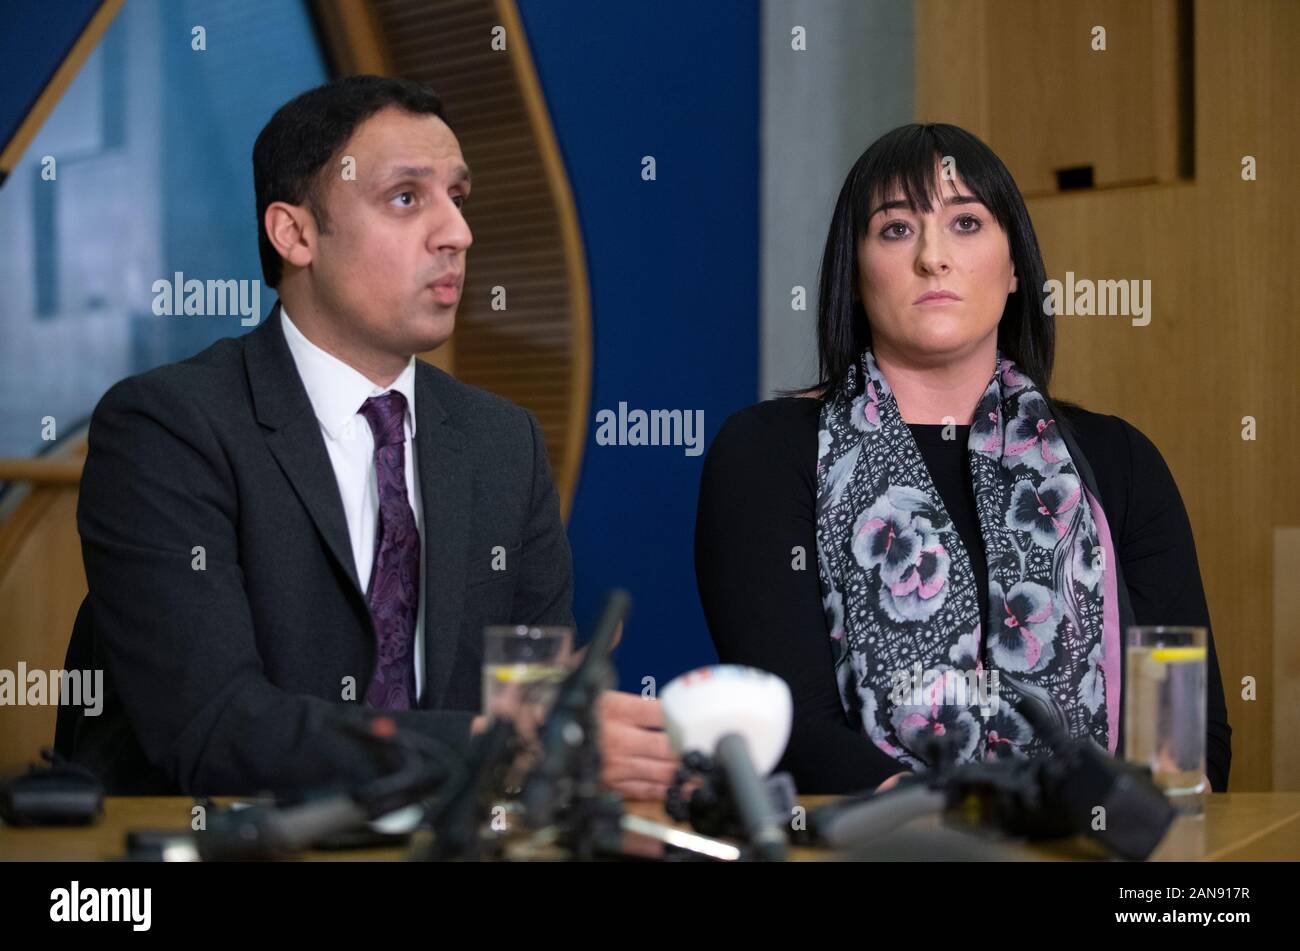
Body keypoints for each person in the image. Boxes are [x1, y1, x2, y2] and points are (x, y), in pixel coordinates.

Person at [56, 75, 676, 800]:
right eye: (407, 198)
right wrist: (497, 747)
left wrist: (571, 741)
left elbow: (539, 716)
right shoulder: (167, 428)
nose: (457, 233)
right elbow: (211, 726)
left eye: (458, 196)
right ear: (296, 234)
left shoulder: (504, 443)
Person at [695, 123, 1230, 795]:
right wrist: (964, 831)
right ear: (855, 275)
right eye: (895, 229)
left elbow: (1193, 740)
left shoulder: (1119, 460)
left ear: (1014, 271)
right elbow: (788, 727)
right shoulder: (766, 454)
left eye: (967, 223)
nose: (933, 257)